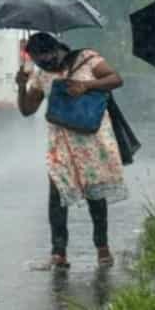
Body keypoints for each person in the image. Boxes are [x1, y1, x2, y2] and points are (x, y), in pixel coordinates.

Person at [15, 32, 127, 270]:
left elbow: (115, 79)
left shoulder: (87, 59)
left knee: (95, 194)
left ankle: (102, 248)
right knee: (57, 195)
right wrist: (21, 86)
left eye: (49, 58)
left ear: (58, 49)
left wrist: (86, 86)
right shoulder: (41, 75)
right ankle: (58, 253)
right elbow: (27, 110)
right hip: (61, 142)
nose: (46, 64)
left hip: (91, 139)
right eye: (39, 60)